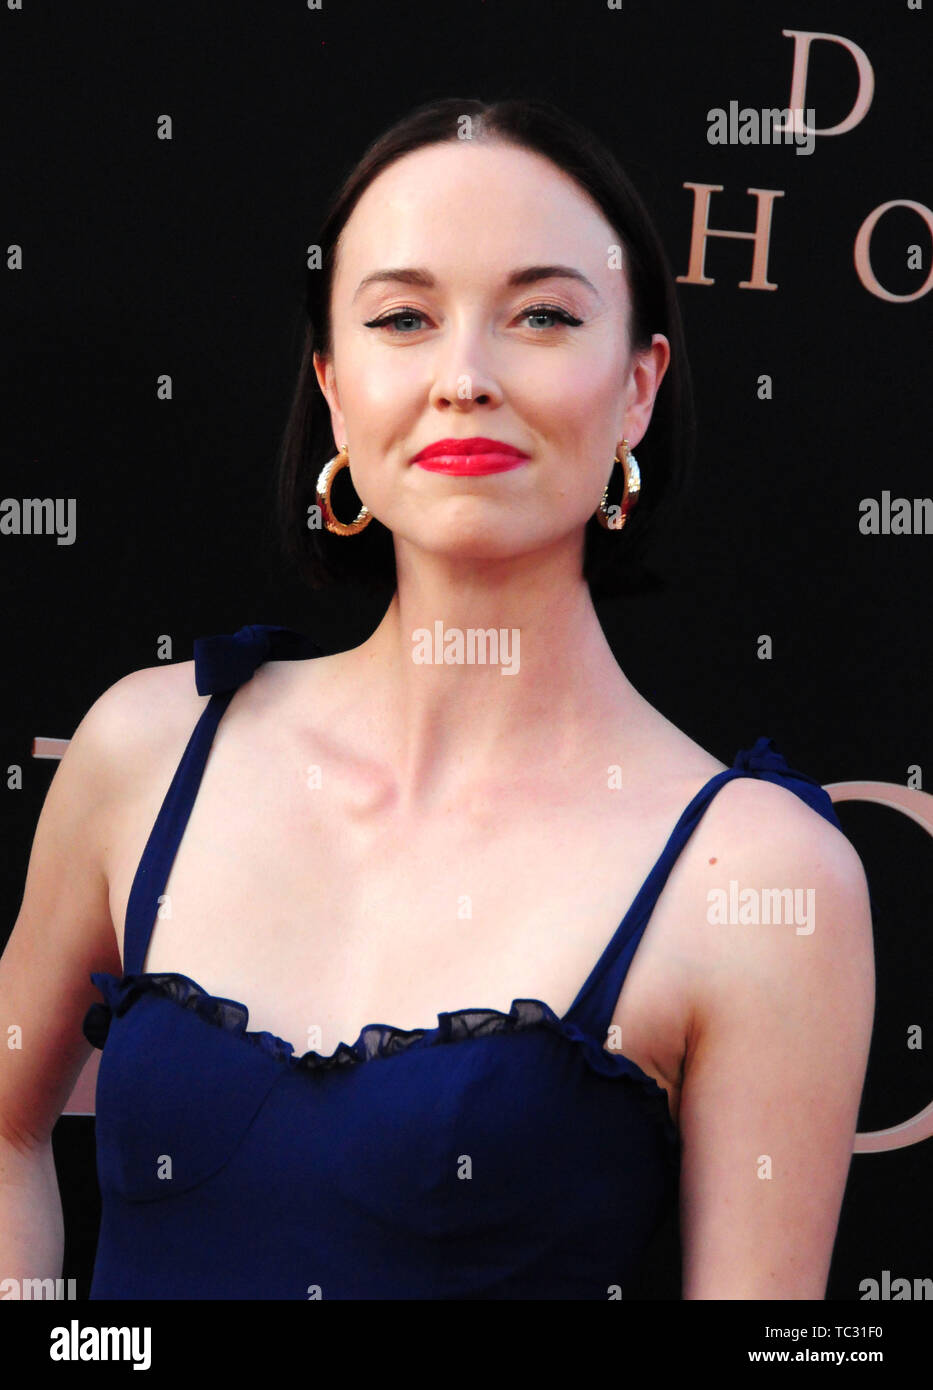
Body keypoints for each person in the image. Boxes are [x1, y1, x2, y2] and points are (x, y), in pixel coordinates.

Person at [0, 97, 874, 1300]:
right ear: (335, 385)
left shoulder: (759, 879)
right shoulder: (148, 749)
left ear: (637, 387)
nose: (465, 377)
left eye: (544, 316)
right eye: (404, 318)